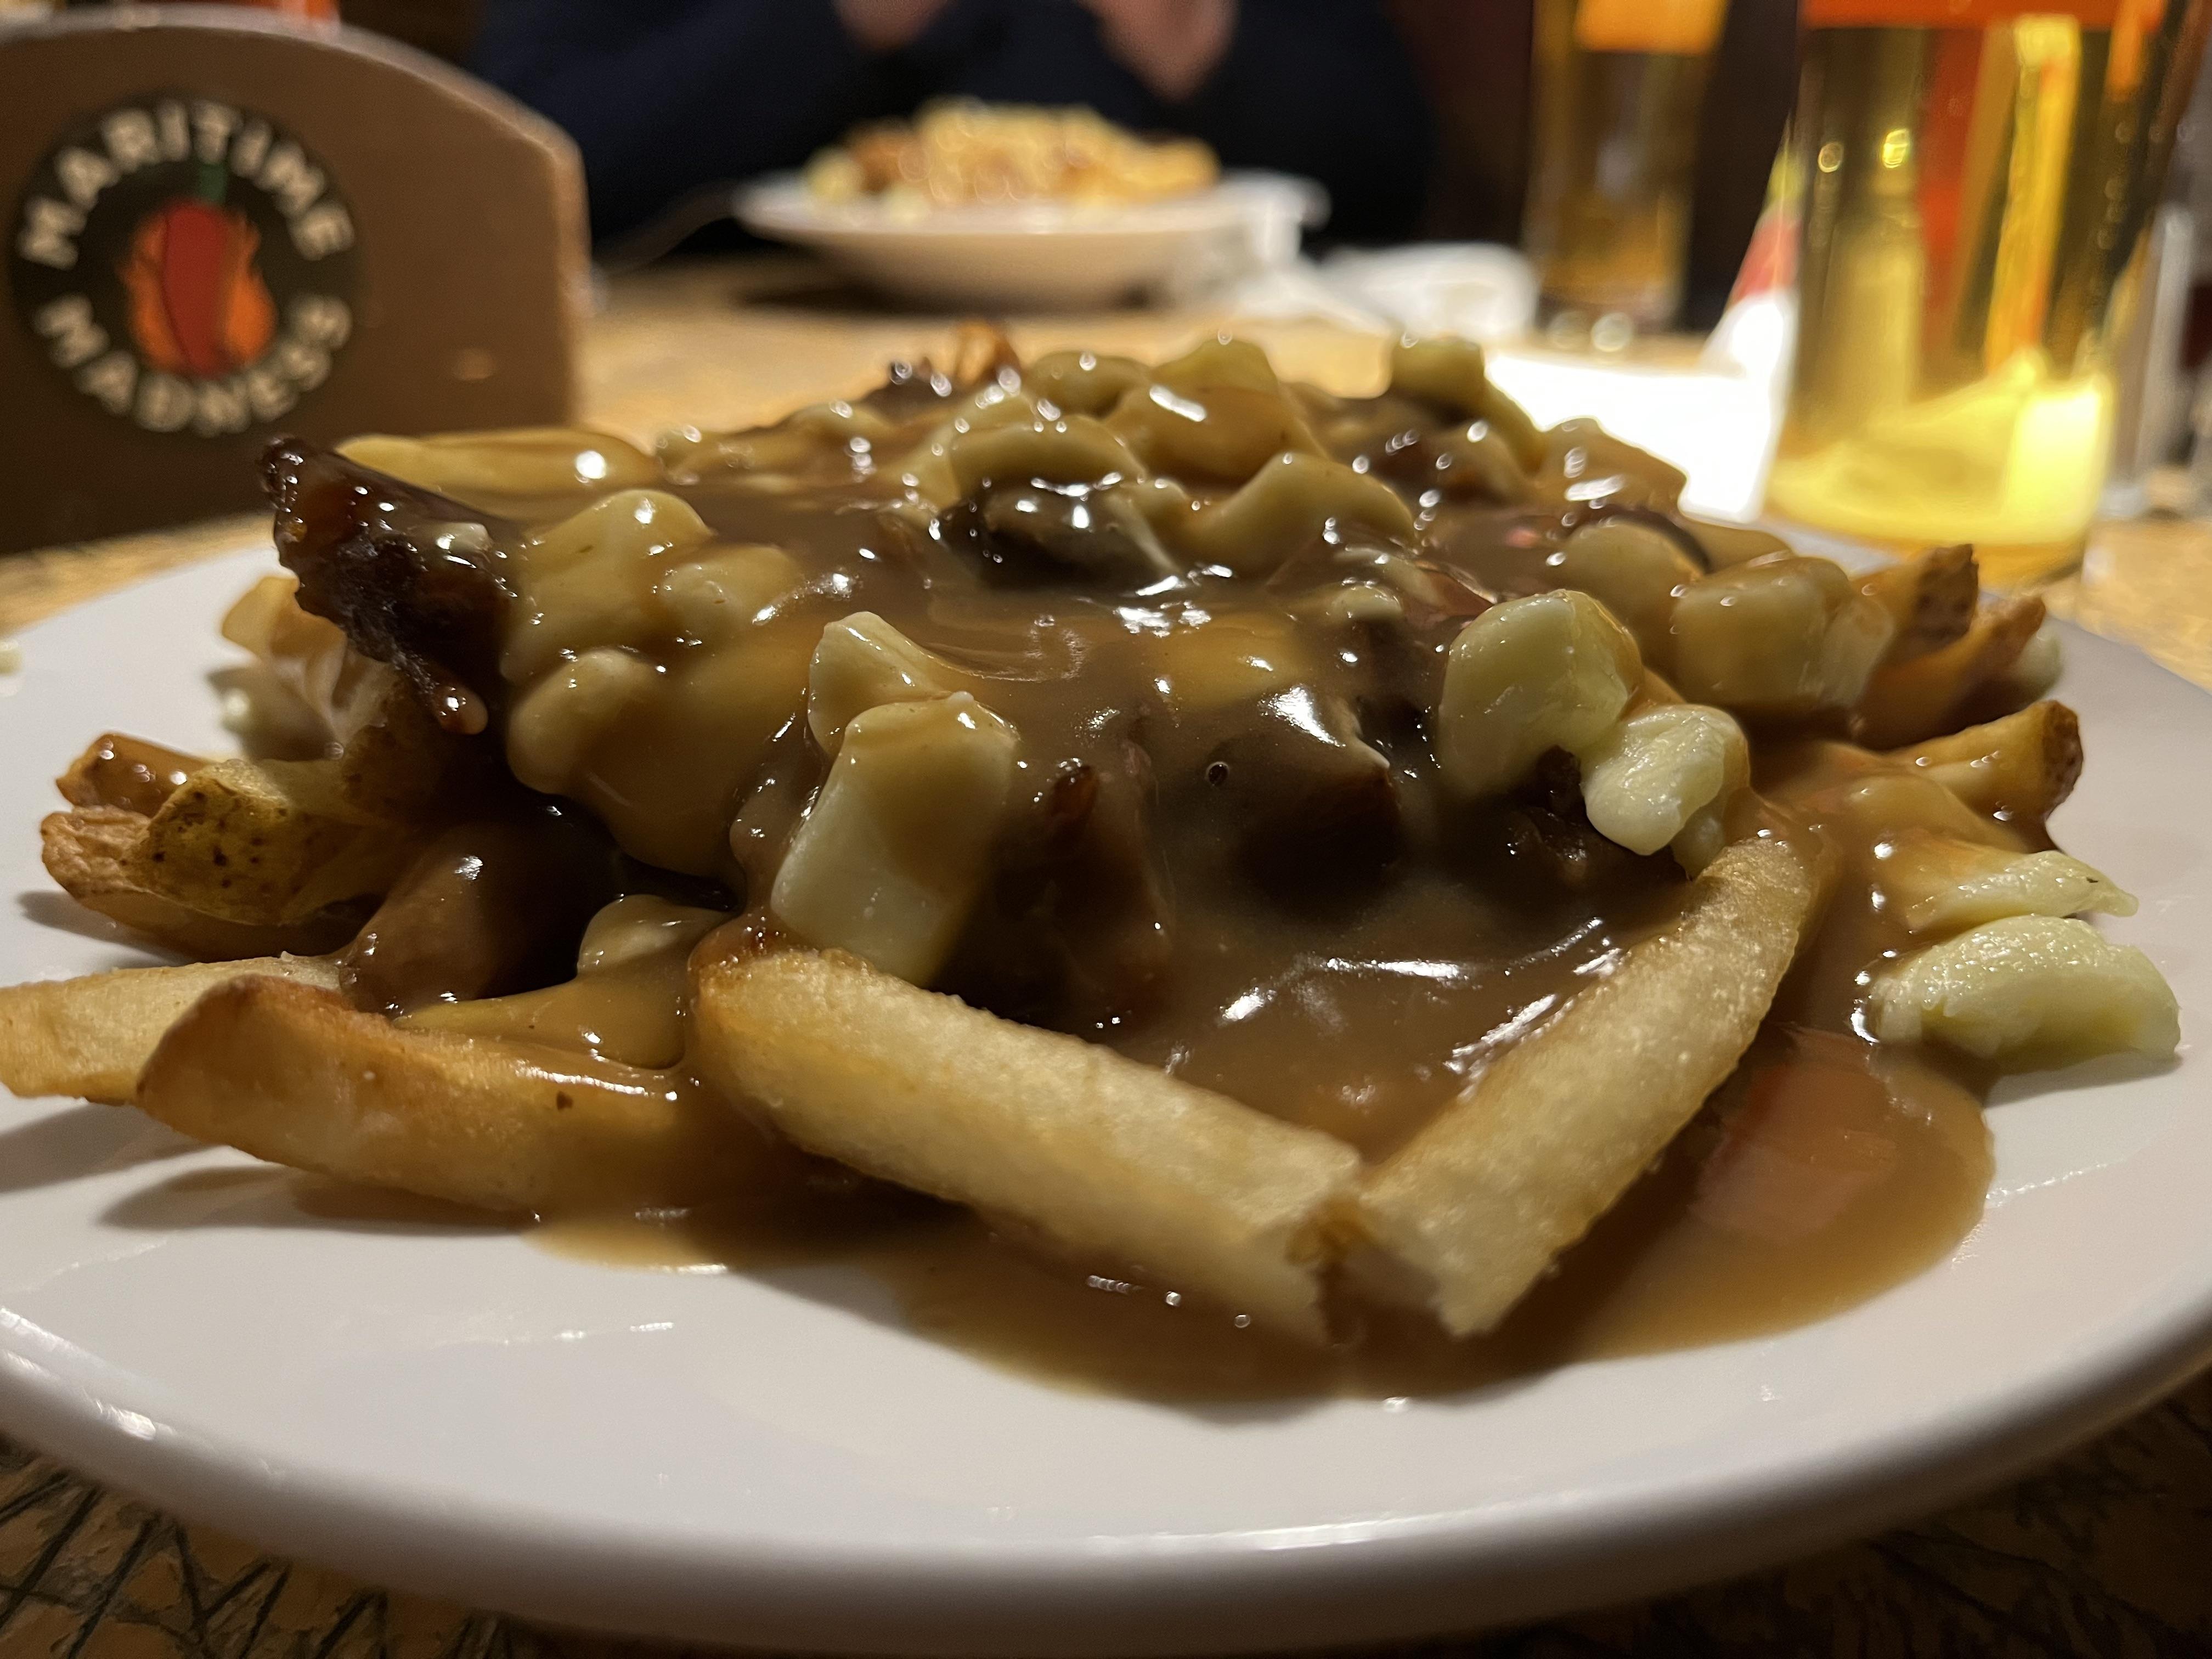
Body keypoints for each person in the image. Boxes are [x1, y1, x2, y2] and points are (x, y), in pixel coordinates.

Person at [472, 0, 1434, 250]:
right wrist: (830, 20)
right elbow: (506, 166)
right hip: (723, 373)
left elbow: (1395, 169)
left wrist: (1197, 40)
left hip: (1170, 365)